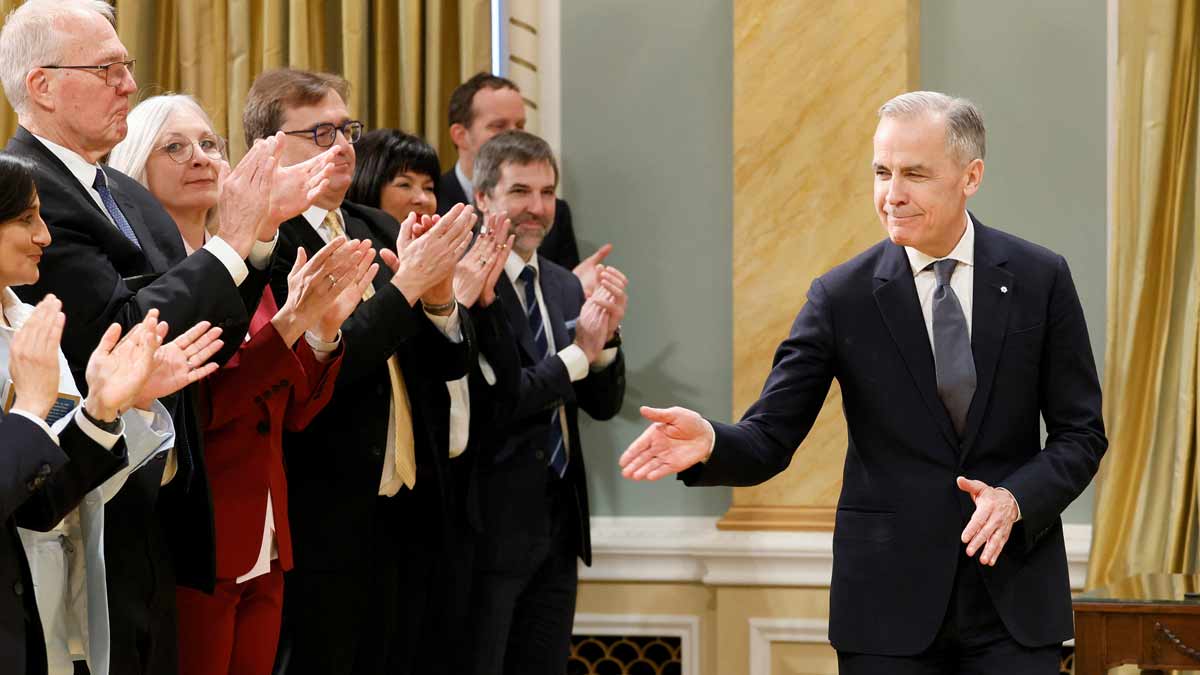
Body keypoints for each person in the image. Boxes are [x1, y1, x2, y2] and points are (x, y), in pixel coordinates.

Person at [620, 91, 1107, 674]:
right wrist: (712, 442)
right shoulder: (840, 297)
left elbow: (1081, 434)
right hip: (886, 610)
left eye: (915, 174)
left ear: (970, 176)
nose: (892, 194)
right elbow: (770, 436)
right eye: (882, 172)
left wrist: (1015, 499)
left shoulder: (1040, 277)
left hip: (1014, 603)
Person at [0, 2, 339, 670]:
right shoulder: (24, 195)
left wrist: (257, 236)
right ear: (42, 85)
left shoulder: (125, 193)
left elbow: (208, 338)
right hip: (83, 506)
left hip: (163, 509)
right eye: (107, 69)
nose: (128, 84)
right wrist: (231, 240)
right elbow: (125, 336)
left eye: (126, 66)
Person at [110, 93, 378, 675]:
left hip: (268, 532)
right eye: (174, 147)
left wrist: (321, 333)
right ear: (134, 167)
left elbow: (293, 409)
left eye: (209, 143)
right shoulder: (155, 283)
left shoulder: (245, 263)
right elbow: (200, 409)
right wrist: (290, 325)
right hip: (198, 540)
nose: (201, 157)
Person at [239, 68, 474, 675]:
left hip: (407, 503)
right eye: (320, 133)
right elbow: (320, 376)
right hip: (319, 509)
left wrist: (441, 302)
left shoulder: (378, 227)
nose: (343, 146)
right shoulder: (266, 244)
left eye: (347, 130)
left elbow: (446, 366)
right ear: (268, 147)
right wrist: (408, 288)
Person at [0, 151, 193, 675]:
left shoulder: (31, 321)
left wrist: (110, 409)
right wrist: (30, 412)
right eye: (26, 218)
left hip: (60, 608)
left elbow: (47, 499)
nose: (44, 235)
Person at [349, 128, 520, 674]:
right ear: (369, 187)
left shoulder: (459, 263)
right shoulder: (362, 269)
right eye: (405, 184)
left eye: (429, 186)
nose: (423, 198)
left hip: (452, 496)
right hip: (380, 496)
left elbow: (500, 383)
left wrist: (461, 300)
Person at [463, 130, 627, 675]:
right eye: (520, 192)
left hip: (559, 526)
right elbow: (500, 401)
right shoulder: (465, 281)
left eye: (547, 192)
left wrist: (605, 343)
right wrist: (580, 353)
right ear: (482, 198)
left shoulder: (562, 284)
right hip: (485, 531)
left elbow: (601, 405)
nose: (537, 207)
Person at [442, 72, 610, 280]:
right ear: (460, 135)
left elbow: (556, 289)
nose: (515, 136)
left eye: (520, 126)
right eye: (499, 126)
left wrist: (573, 289)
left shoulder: (553, 211)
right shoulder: (430, 206)